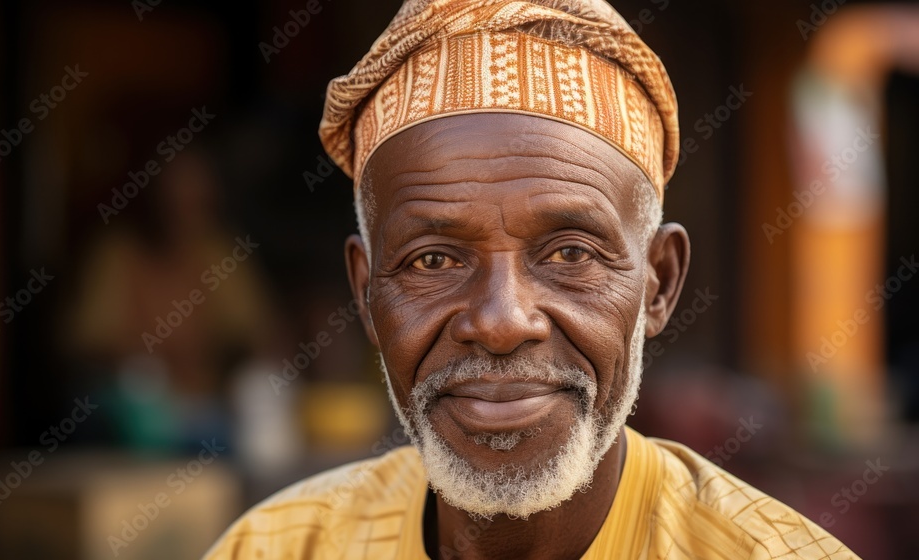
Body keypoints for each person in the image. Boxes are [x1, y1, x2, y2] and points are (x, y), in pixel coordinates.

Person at [205, 1, 860, 558]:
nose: (500, 320)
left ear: (659, 283)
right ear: (368, 294)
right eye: (434, 260)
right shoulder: (277, 546)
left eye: (571, 254)